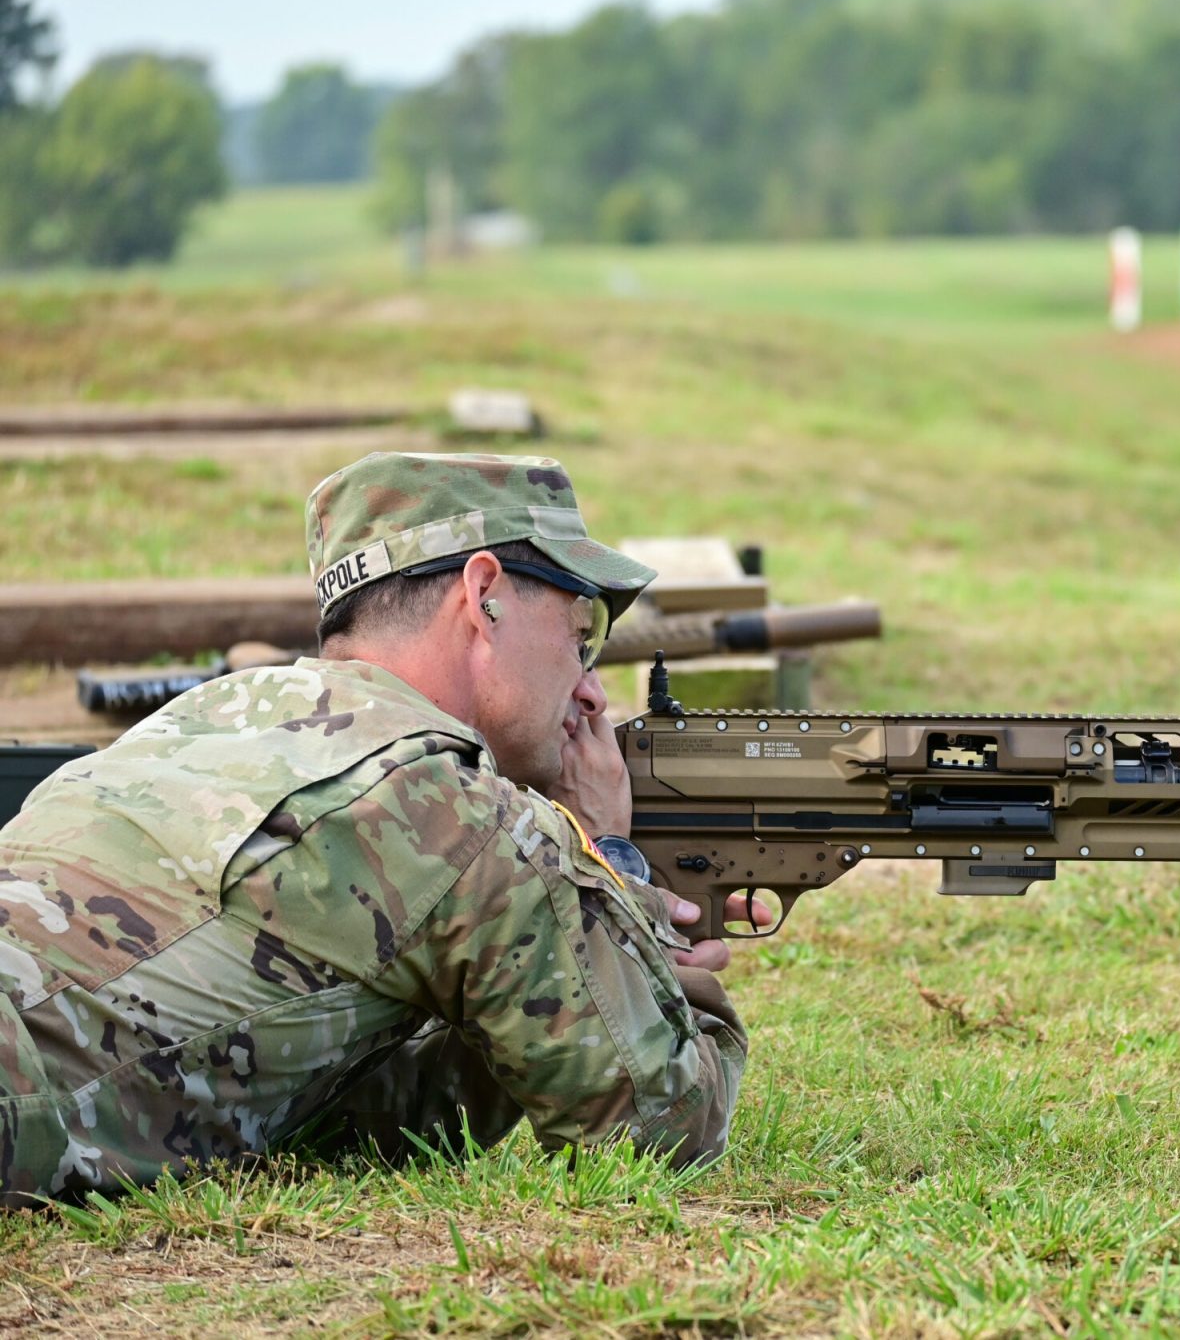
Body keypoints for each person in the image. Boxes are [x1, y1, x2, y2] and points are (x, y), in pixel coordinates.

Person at [0, 452, 755, 1205]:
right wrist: (615, 883)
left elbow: (332, 1107)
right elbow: (658, 1130)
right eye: (580, 629)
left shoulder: (204, 718)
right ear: (483, 595)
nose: (589, 686)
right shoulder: (444, 808)